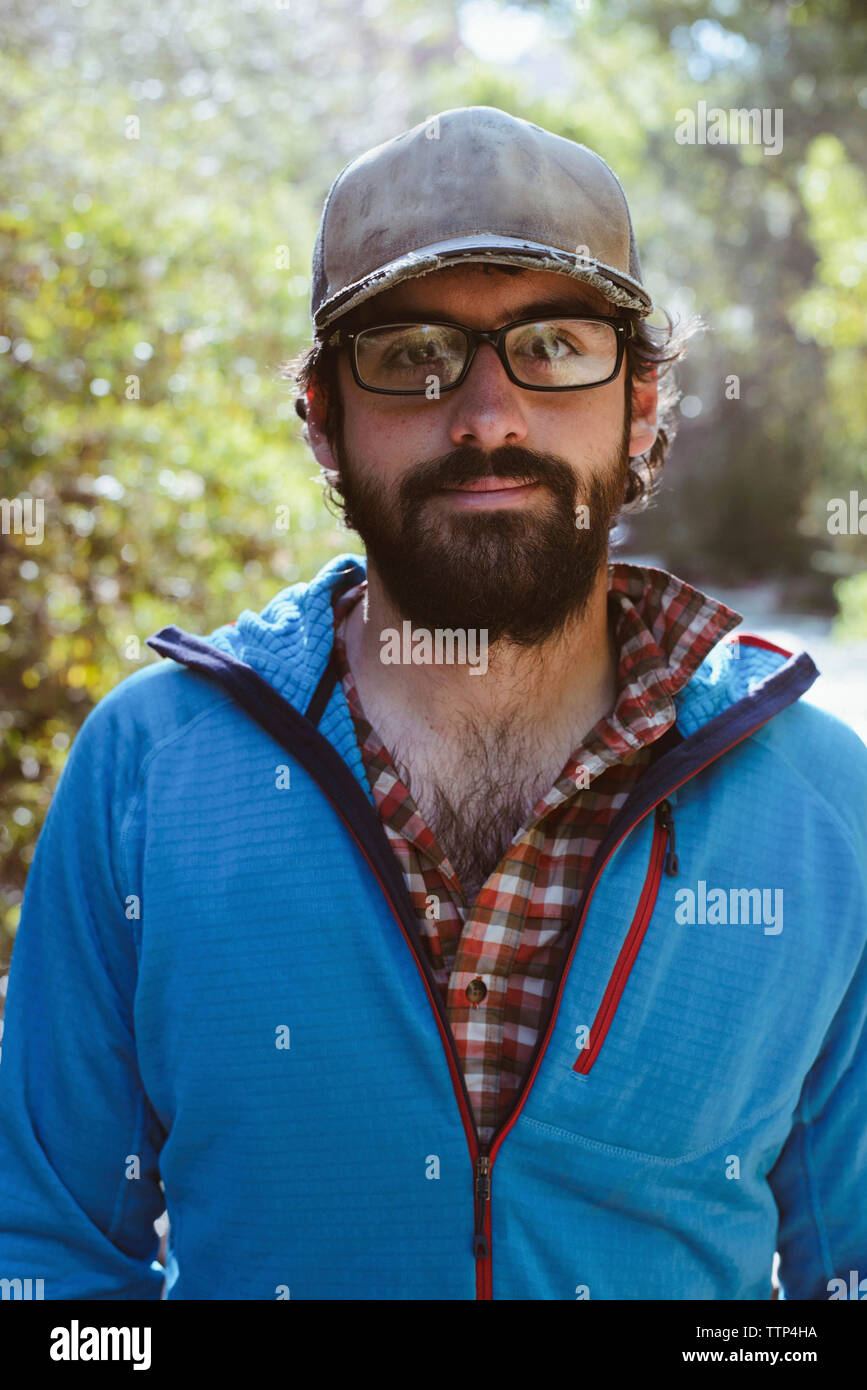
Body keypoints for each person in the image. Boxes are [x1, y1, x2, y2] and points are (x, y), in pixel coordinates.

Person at [0, 105, 865, 1302]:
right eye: (411, 354)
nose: (489, 415)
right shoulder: (145, 773)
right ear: (322, 417)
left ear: (644, 405)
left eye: (555, 347)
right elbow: (50, 1266)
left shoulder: (823, 805)